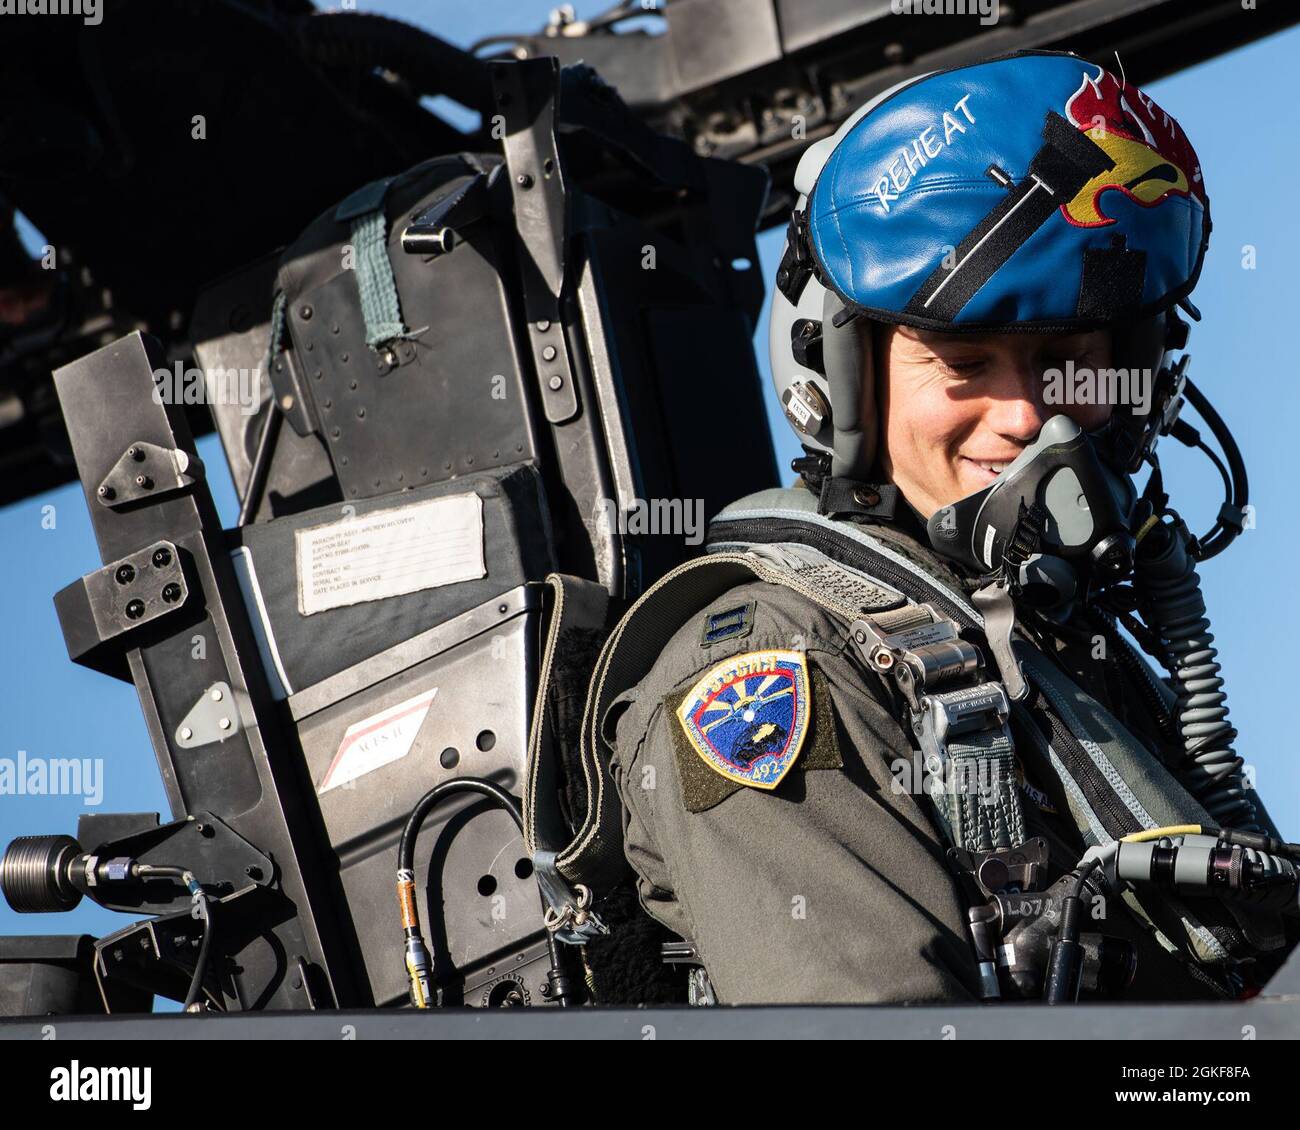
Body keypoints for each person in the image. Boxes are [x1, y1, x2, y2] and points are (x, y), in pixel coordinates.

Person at [590, 50, 1297, 1004]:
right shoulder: (770, 671)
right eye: (963, 364)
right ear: (845, 383)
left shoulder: (1054, 659)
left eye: (1065, 360)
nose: (1021, 415)